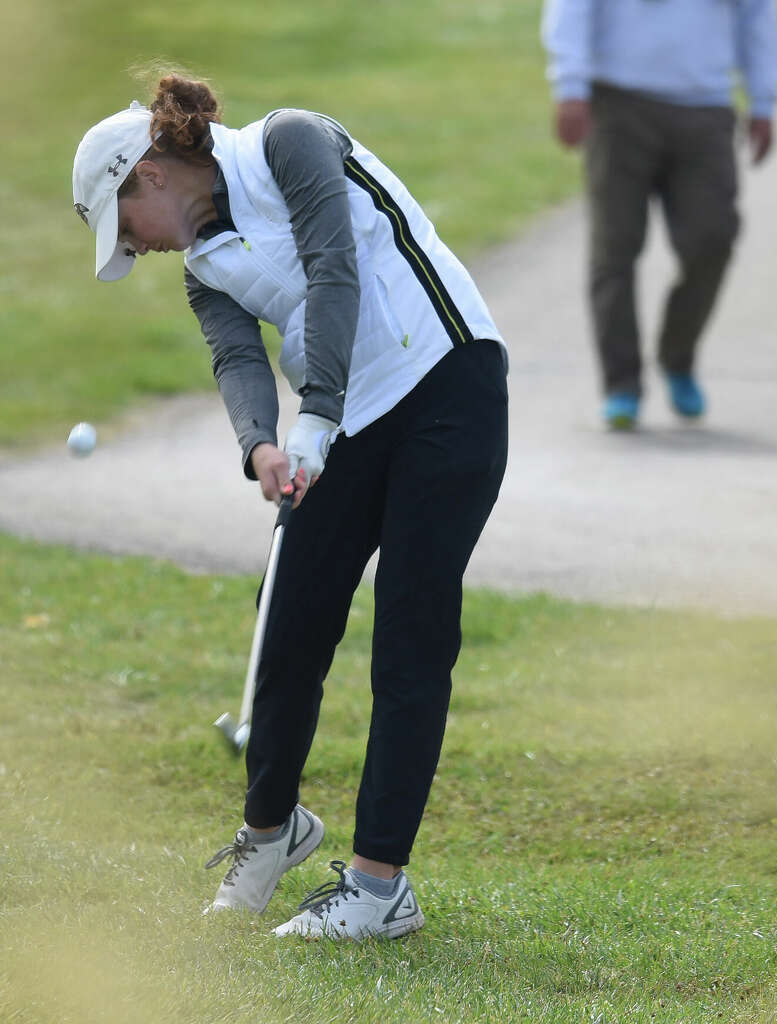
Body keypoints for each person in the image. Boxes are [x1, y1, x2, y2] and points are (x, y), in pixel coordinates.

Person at [72, 71, 508, 940]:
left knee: (410, 632)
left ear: (149, 175)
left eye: (126, 228)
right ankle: (272, 832)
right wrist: (262, 448)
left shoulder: (290, 142)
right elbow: (237, 361)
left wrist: (314, 418)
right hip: (342, 418)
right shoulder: (203, 267)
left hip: (445, 385)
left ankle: (381, 888)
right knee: (287, 615)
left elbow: (333, 267)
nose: (137, 249)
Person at [541, 0, 777, 430]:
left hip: (705, 106)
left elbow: (758, 14)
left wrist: (764, 99)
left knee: (711, 242)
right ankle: (622, 385)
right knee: (614, 249)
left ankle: (677, 356)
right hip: (618, 101)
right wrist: (570, 84)